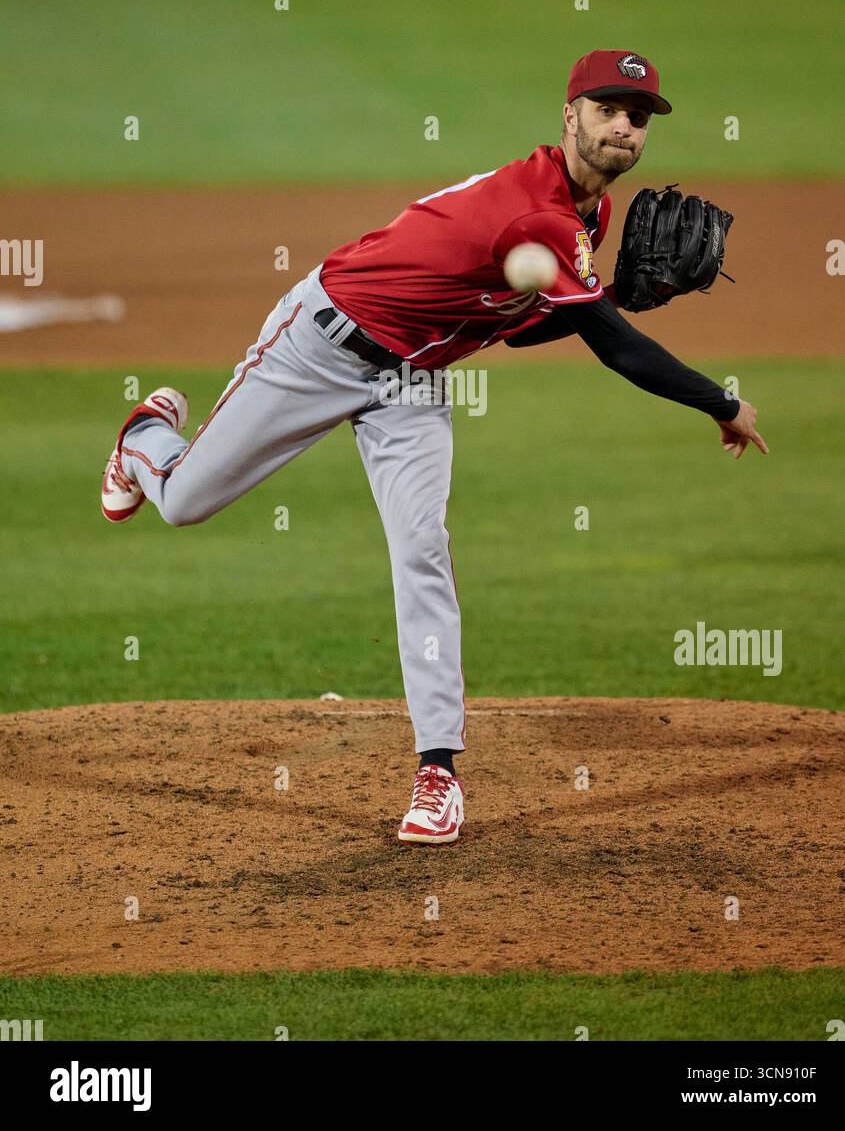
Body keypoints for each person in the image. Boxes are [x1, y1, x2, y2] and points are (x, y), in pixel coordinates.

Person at [101, 48, 767, 846]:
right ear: (569, 116)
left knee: (422, 545)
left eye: (638, 116)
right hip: (319, 346)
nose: (624, 127)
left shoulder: (586, 219)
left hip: (413, 381)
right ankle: (146, 437)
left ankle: (438, 773)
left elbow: (516, 331)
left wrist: (608, 292)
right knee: (183, 503)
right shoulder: (541, 214)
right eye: (609, 109)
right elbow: (617, 350)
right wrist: (721, 402)